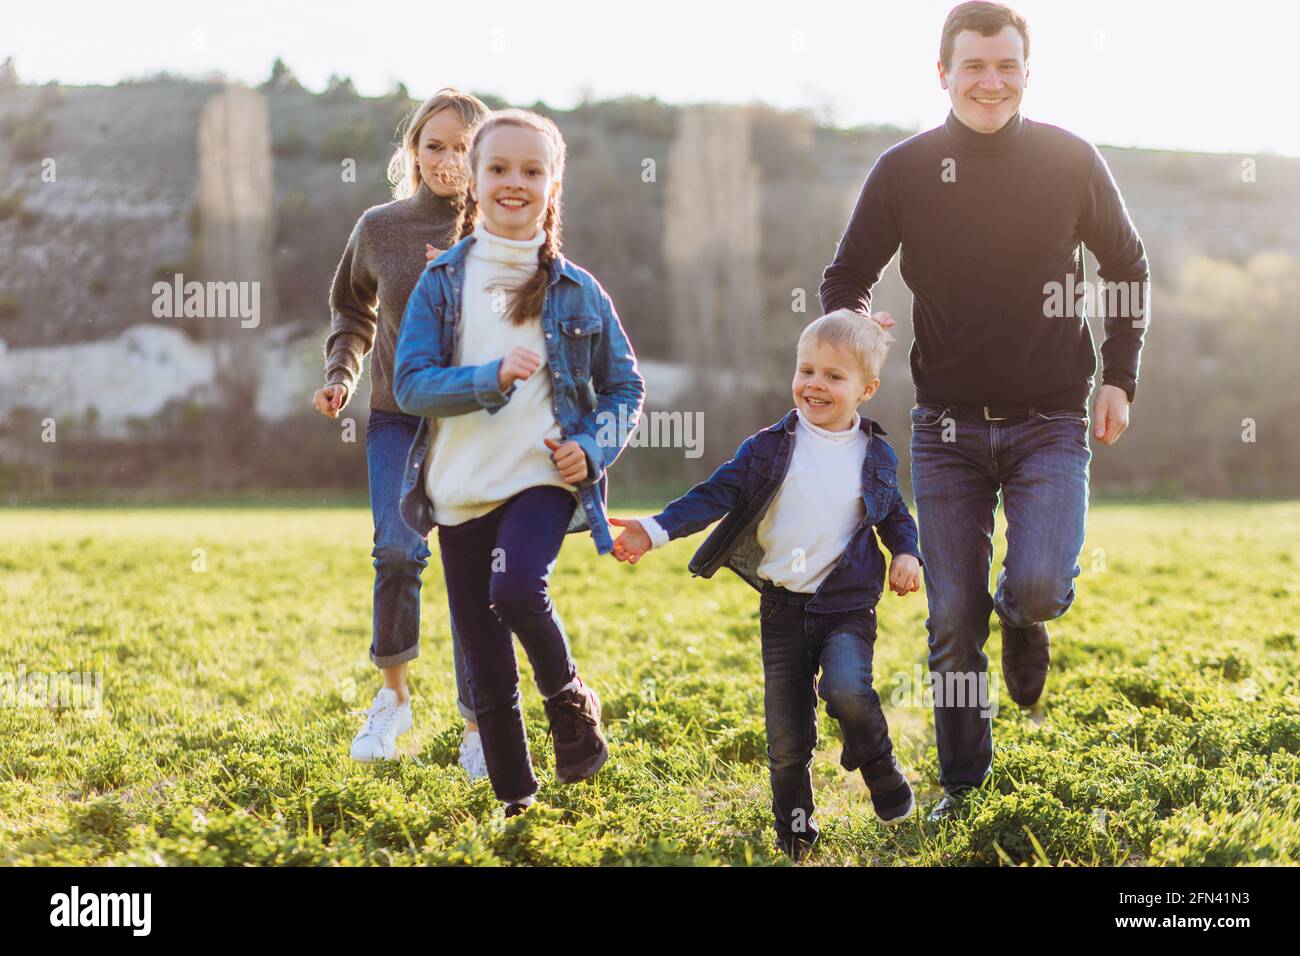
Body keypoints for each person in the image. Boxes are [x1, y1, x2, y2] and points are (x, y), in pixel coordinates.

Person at [819, 1, 1150, 820]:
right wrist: (855, 330)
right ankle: (963, 784)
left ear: (1027, 72)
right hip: (946, 429)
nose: (990, 81)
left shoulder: (1071, 161)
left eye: (1006, 65)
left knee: (1035, 585)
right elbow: (846, 275)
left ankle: (1026, 619)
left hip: (1050, 420)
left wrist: (1120, 377)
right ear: (944, 73)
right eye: (974, 65)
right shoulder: (904, 169)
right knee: (951, 616)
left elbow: (1128, 263)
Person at [393, 109, 645, 815]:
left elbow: (625, 386)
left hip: (541, 479)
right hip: (458, 490)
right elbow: (411, 385)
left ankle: (568, 698)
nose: (514, 182)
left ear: (553, 183)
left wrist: (591, 447)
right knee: (485, 663)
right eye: (499, 168)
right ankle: (516, 805)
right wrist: (489, 376)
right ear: (473, 179)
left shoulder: (577, 289)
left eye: (532, 170)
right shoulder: (441, 282)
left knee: (514, 592)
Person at [611, 311, 922, 860]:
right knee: (786, 740)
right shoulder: (769, 447)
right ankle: (796, 832)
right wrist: (655, 530)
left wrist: (906, 552)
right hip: (782, 609)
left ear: (866, 390)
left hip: (846, 603)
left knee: (848, 689)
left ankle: (878, 765)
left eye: (833, 375)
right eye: (806, 370)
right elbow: (714, 495)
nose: (815, 384)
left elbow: (895, 513)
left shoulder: (875, 454)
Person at [314, 89, 492, 773]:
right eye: (435, 144)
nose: (448, 160)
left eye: (463, 147)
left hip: (475, 427)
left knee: (474, 574)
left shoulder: (497, 232)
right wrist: (341, 373)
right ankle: (392, 700)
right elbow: (350, 308)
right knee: (396, 550)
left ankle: (479, 728)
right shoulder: (380, 226)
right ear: (414, 150)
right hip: (395, 417)